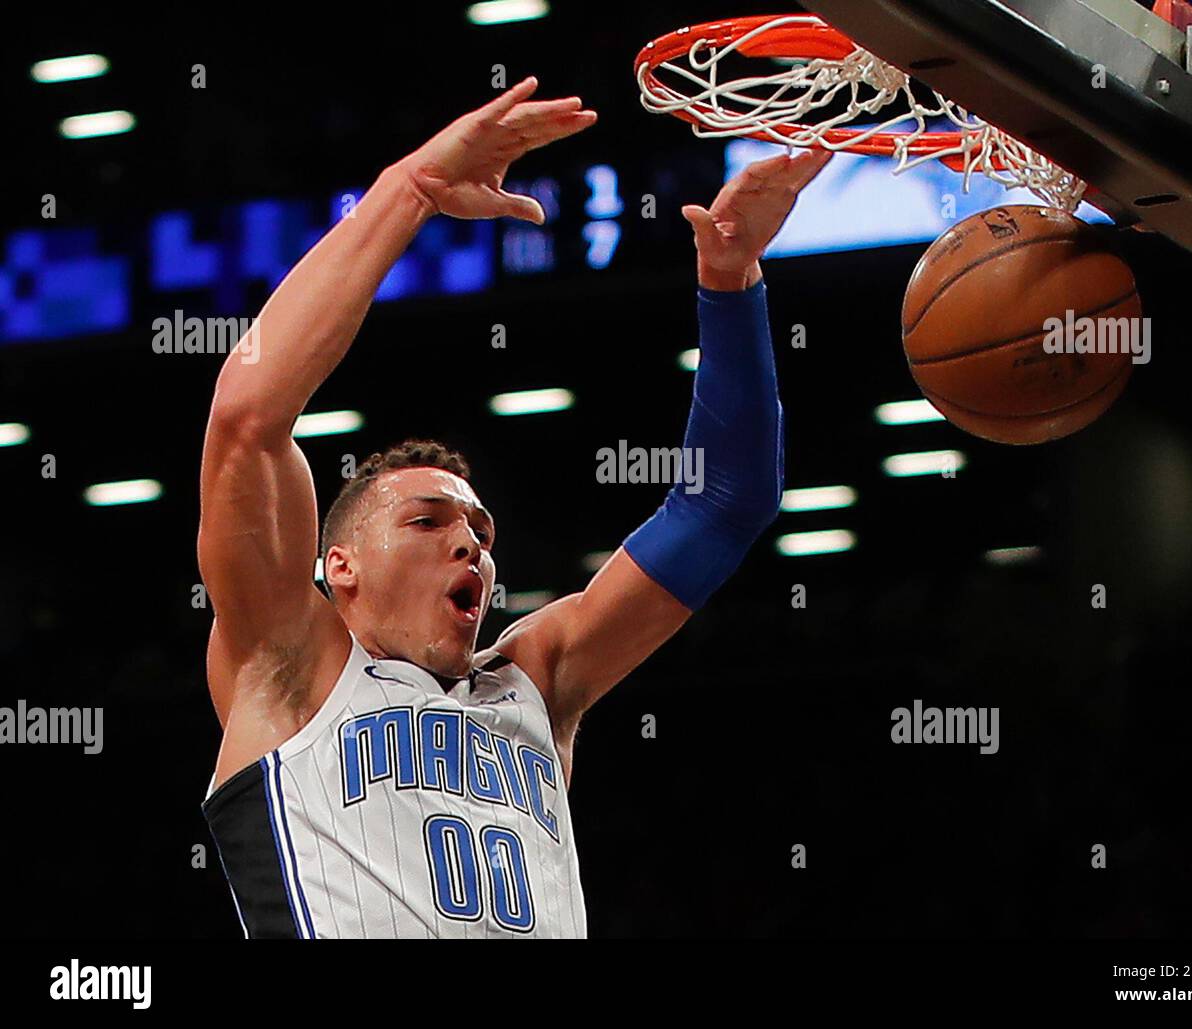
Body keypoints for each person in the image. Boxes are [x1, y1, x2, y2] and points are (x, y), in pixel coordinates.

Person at [198, 77, 830, 938]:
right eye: (429, 521)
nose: (470, 544)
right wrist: (410, 190)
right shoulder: (290, 661)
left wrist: (730, 281)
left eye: (481, 531)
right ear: (336, 564)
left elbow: (726, 503)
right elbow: (246, 418)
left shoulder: (534, 679)